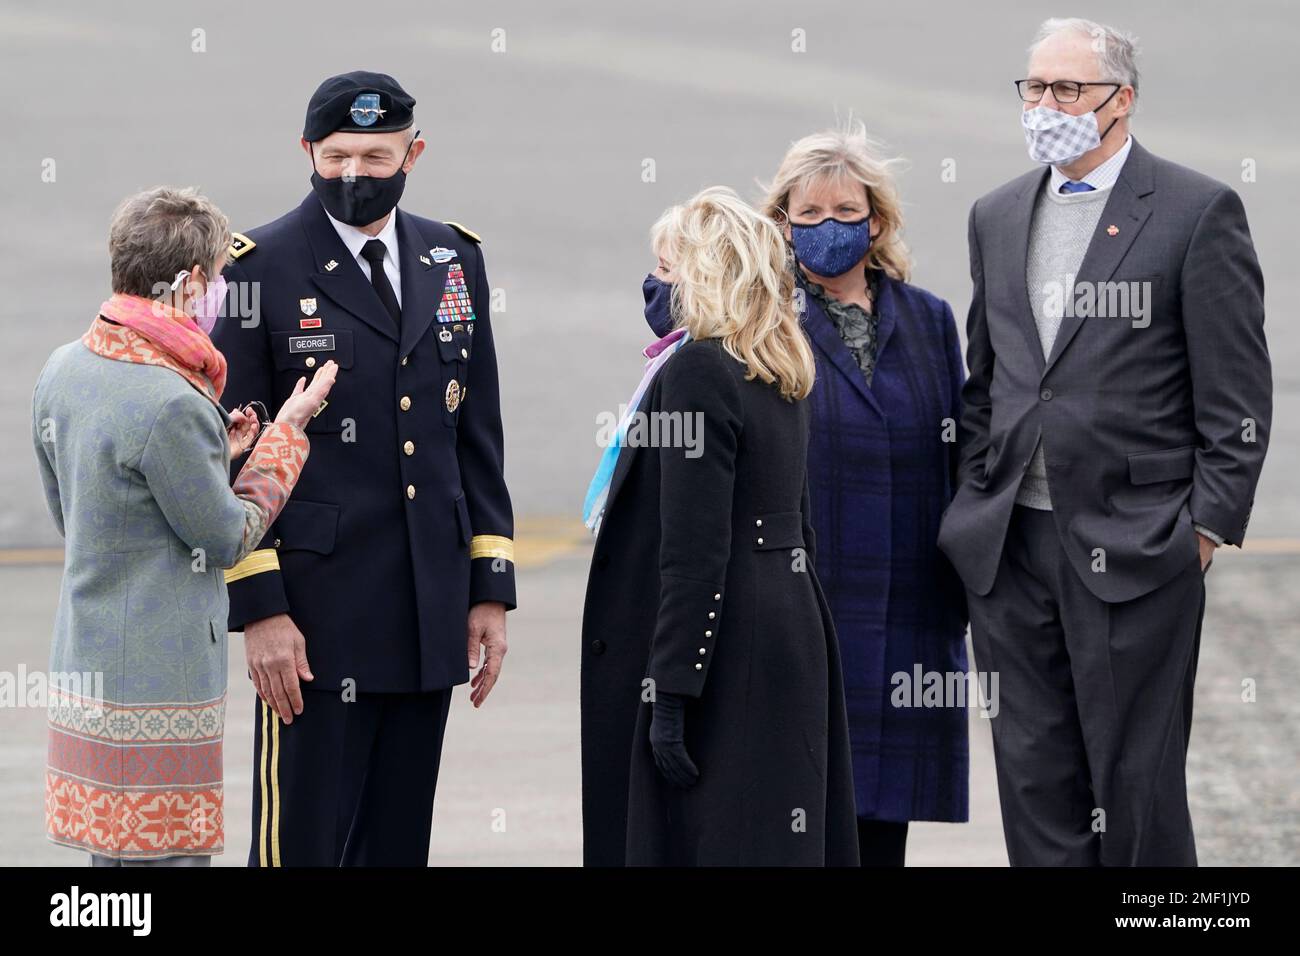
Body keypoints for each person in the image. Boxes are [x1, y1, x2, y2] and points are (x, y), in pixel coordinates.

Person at [939, 18, 1272, 865]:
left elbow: (1236, 393)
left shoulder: (1196, 212)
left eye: (1068, 90)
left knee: (1135, 784)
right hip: (1013, 549)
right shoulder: (998, 214)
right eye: (1035, 88)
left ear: (1121, 101)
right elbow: (991, 380)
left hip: (1138, 546)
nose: (1046, 105)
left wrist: (1200, 528)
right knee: (1034, 779)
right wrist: (977, 496)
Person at [211, 71, 517, 866]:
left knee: (395, 847)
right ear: (307, 151)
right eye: (338, 154)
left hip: (426, 606)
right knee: (300, 849)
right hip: (314, 621)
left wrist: (489, 588)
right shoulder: (256, 267)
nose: (354, 174)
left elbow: (475, 433)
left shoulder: (454, 258)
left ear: (413, 152)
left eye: (377, 157)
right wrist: (261, 610)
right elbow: (230, 460)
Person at [32, 186, 334, 866]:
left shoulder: (63, 368)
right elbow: (228, 536)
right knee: (166, 859)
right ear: (193, 282)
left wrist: (206, 459)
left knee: (112, 868)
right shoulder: (171, 399)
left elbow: (81, 508)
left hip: (87, 658)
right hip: (157, 674)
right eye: (218, 280)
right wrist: (283, 438)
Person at [581, 186, 859, 866]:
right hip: (783, 633)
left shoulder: (701, 369)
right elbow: (801, 528)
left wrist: (673, 690)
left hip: (723, 654)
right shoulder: (773, 364)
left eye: (666, 267)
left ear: (704, 274)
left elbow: (695, 548)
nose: (654, 282)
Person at [761, 124, 970, 866]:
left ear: (876, 220)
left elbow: (965, 450)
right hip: (803, 601)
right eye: (806, 214)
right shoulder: (760, 318)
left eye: (845, 211)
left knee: (882, 824)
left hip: (910, 604)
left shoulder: (929, 319)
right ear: (780, 223)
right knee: (793, 812)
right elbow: (671, 310)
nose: (826, 228)